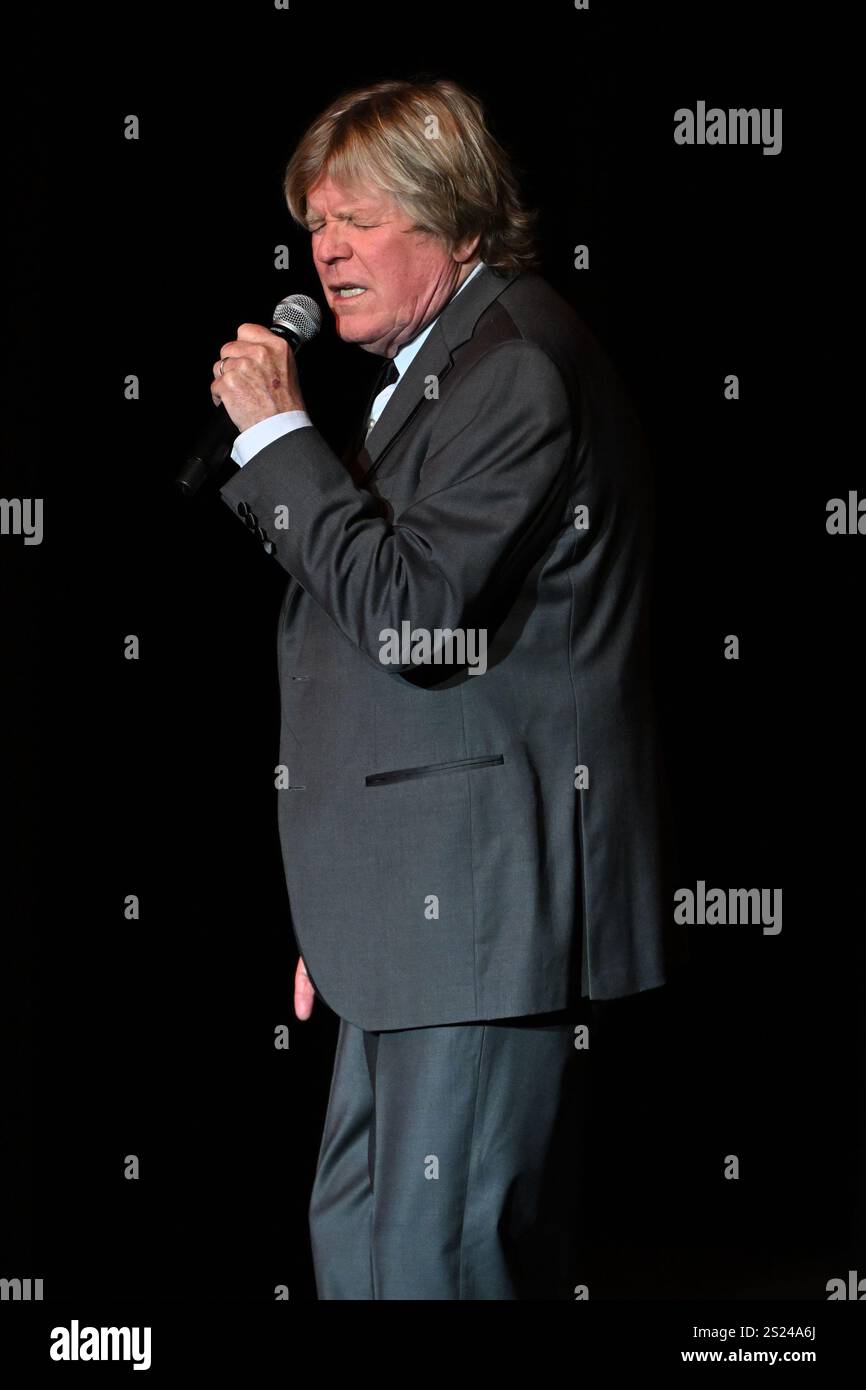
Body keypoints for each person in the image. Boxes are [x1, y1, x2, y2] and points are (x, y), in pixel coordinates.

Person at [210, 77, 678, 1300]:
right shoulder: (436, 371)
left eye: (361, 217)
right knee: (363, 1240)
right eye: (317, 222)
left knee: (440, 1264)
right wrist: (345, 905)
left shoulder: (513, 366)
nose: (327, 249)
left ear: (458, 221)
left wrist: (274, 439)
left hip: (473, 904)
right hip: (408, 914)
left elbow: (411, 616)